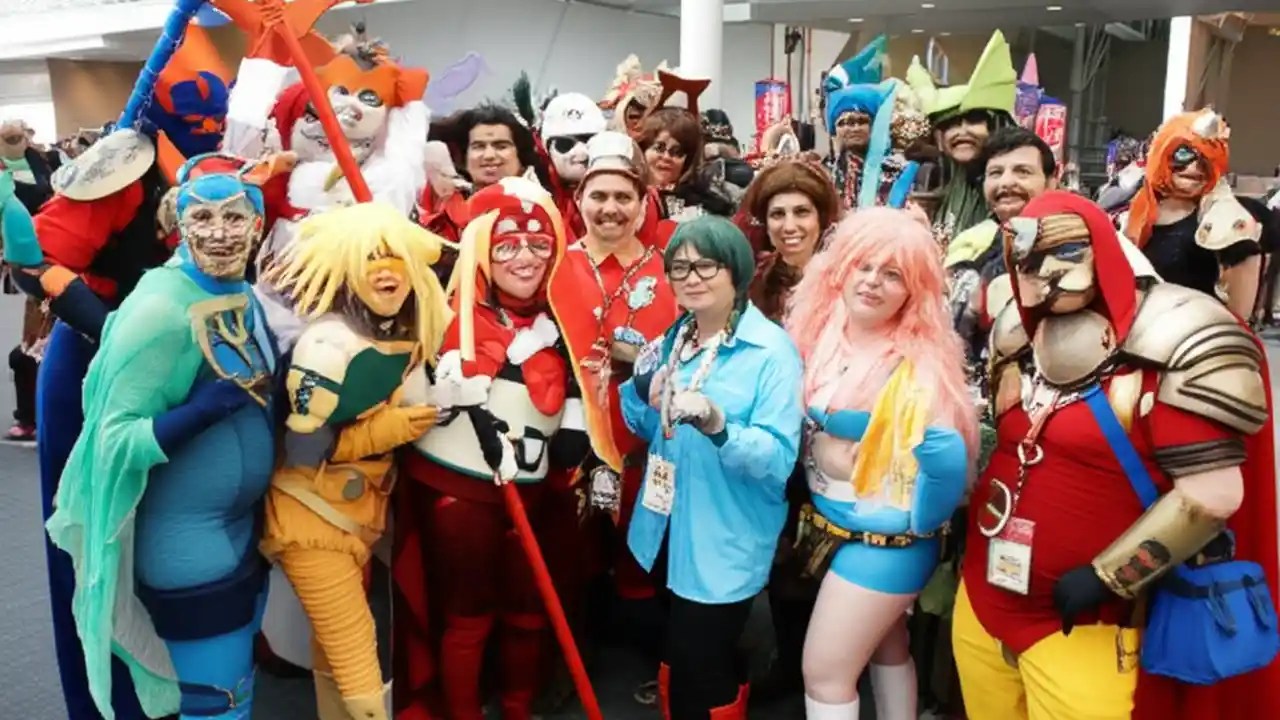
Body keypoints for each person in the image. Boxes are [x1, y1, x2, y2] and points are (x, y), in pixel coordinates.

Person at [957, 191, 1279, 720]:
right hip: (984, 599)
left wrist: (1109, 576)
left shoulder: (1181, 334)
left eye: (1064, 252)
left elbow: (1213, 495)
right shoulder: (1017, 334)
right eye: (1028, 259)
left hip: (1090, 625)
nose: (1045, 273)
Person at [3, 61, 229, 720]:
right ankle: (108, 705)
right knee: (95, 544)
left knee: (184, 529)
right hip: (97, 361)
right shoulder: (121, 166)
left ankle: (196, 683)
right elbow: (33, 262)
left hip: (194, 358)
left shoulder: (223, 164)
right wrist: (112, 331)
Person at [46, 156, 280, 720]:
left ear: (258, 225)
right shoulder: (158, 308)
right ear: (177, 222)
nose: (220, 234)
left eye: (234, 218)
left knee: (237, 690)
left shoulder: (244, 295)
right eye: (202, 219)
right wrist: (197, 413)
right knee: (215, 704)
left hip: (245, 533)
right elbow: (110, 443)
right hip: (187, 544)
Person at [259, 201, 449, 720]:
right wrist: (379, 434)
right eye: (370, 257)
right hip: (310, 512)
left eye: (395, 256)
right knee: (355, 649)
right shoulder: (325, 344)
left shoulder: (400, 329)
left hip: (361, 512)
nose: (386, 269)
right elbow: (301, 449)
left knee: (334, 649)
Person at [786, 208, 976, 720]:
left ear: (913, 291)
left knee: (825, 674)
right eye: (863, 265)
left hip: (885, 542)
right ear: (840, 267)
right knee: (887, 646)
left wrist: (920, 525)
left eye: (892, 274)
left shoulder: (916, 363)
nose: (871, 282)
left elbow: (945, 456)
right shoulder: (823, 329)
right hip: (838, 527)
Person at [392, 176, 570, 720]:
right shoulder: (441, 318)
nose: (525, 257)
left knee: (528, 612)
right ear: (482, 250)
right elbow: (404, 403)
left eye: (540, 243)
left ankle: (518, 708)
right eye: (508, 244)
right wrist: (439, 394)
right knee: (467, 617)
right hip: (457, 491)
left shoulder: (564, 320)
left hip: (535, 491)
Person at [621, 215, 804, 720]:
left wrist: (720, 426)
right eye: (679, 267)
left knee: (704, 664)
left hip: (724, 537)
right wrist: (640, 391)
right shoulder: (674, 337)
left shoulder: (771, 353)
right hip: (665, 526)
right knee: (677, 656)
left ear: (736, 271)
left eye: (706, 265)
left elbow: (777, 461)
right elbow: (641, 424)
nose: (691, 277)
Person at [547, 130, 680, 705]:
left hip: (643, 444)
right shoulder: (551, 264)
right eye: (598, 196)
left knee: (644, 556)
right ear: (579, 200)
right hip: (570, 441)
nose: (610, 209)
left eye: (623, 197)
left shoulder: (671, 272)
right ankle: (564, 664)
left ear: (643, 203)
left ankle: (658, 666)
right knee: (568, 556)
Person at [1125, 109, 1262, 320]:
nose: (1195, 167)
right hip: (1136, 335)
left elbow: (1238, 317)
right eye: (1183, 154)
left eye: (1207, 159)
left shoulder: (1226, 221)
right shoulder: (1135, 210)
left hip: (1194, 342)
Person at [945, 126, 1057, 358]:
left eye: (1022, 172)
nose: (1006, 182)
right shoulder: (974, 252)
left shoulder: (1080, 248)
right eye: (995, 173)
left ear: (1052, 181)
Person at [907, 30, 1017, 249]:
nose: (962, 131)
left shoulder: (1014, 188)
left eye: (974, 120)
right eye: (951, 125)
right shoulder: (936, 185)